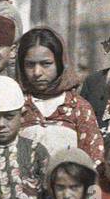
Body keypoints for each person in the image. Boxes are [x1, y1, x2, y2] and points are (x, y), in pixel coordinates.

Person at [17, 26, 104, 162]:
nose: (37, 72)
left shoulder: (78, 108)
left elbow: (94, 160)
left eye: (46, 64)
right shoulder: (15, 105)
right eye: (30, 65)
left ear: (60, 63)